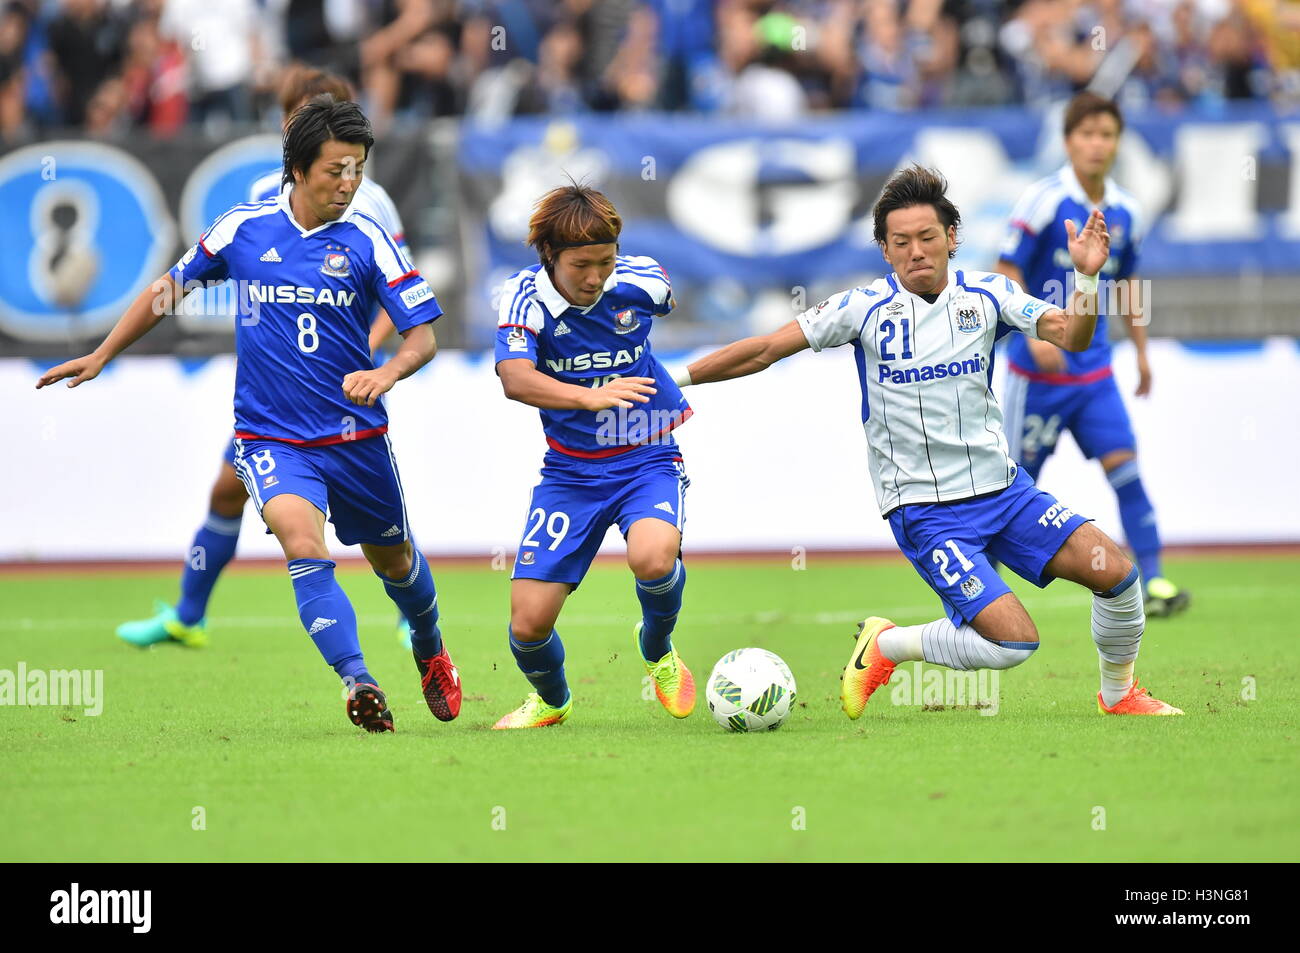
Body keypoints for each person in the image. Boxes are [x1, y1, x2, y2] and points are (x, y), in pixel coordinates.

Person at [676, 165, 1182, 718]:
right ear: (885, 251)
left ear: (951, 239)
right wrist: (674, 380)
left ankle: (1120, 695)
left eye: (928, 237)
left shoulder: (989, 295)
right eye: (901, 242)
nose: (917, 251)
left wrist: (1086, 279)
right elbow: (766, 348)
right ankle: (888, 644)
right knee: (1013, 643)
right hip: (925, 511)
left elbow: (1073, 336)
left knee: (1119, 575)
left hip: (1006, 494)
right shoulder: (860, 309)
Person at [37, 97, 460, 732]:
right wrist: (102, 353)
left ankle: (429, 644)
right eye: (335, 170)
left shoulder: (368, 237)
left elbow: (423, 335)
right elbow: (167, 290)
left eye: (357, 170)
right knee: (300, 541)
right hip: (269, 437)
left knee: (394, 561)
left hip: (355, 436)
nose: (348, 184)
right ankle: (358, 680)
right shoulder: (242, 229)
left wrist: (387, 371)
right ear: (296, 168)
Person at [115, 68, 417, 652]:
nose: (301, 122)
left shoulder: (368, 202)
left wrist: (373, 356)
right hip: (275, 397)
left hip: (340, 388)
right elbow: (238, 277)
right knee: (228, 491)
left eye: (318, 112)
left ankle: (413, 614)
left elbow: (401, 296)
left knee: (379, 512)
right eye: (296, 113)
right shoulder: (259, 198)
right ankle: (188, 614)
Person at [490, 183, 694, 729]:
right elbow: (514, 378)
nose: (595, 277)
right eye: (582, 265)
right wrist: (589, 396)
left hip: (647, 453)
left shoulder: (642, 282)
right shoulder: (522, 298)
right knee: (528, 626)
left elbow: (663, 300)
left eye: (606, 262)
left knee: (653, 558)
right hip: (570, 474)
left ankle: (657, 648)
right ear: (550, 256)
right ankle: (552, 701)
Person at [996, 92, 1189, 618]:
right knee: (1011, 483)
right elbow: (1006, 269)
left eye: (1106, 135)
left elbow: (1127, 284)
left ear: (1117, 142)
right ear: (1068, 141)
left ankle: (1156, 582)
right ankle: (984, 592)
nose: (1097, 144)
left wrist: (1143, 354)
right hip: (1035, 376)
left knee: (1126, 470)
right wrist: (1035, 336)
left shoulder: (1127, 210)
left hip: (1095, 372)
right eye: (1087, 134)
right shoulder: (1041, 200)